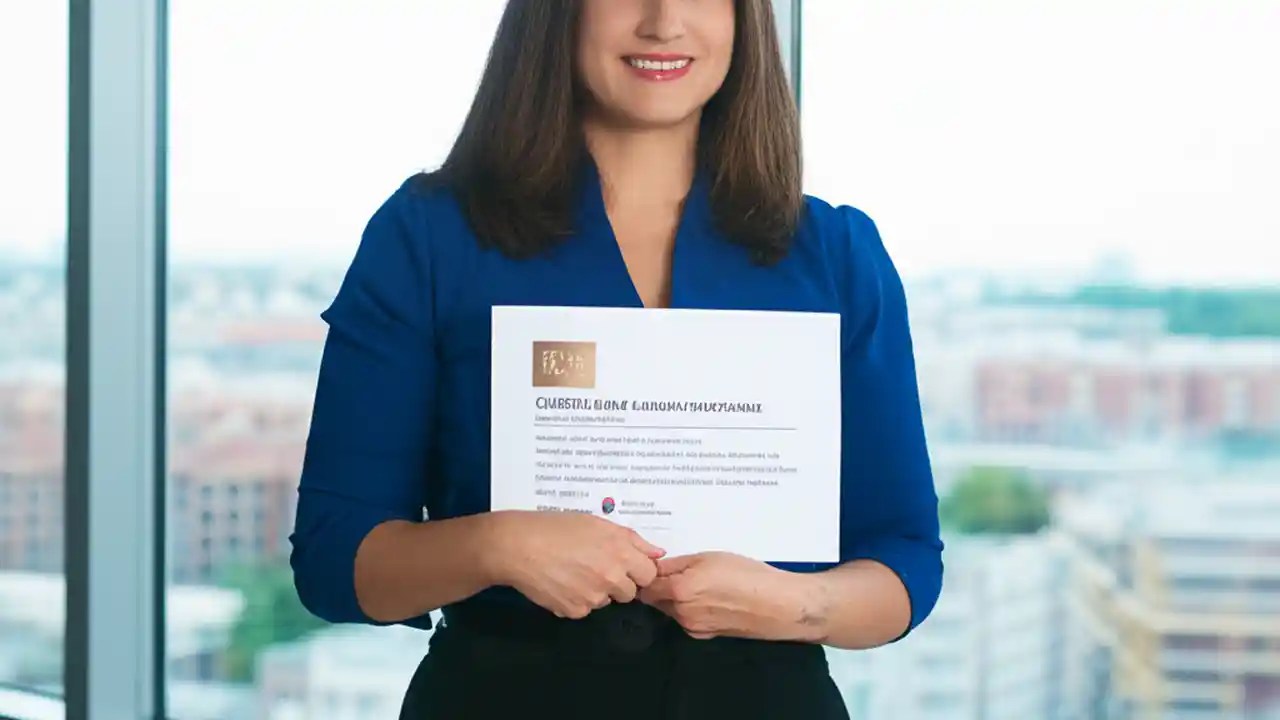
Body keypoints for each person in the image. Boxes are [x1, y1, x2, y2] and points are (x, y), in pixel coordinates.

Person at [289, 0, 943, 717]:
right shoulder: (427, 237)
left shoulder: (836, 254)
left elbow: (905, 556)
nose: (664, 22)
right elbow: (333, 560)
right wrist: (496, 544)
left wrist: (798, 604)